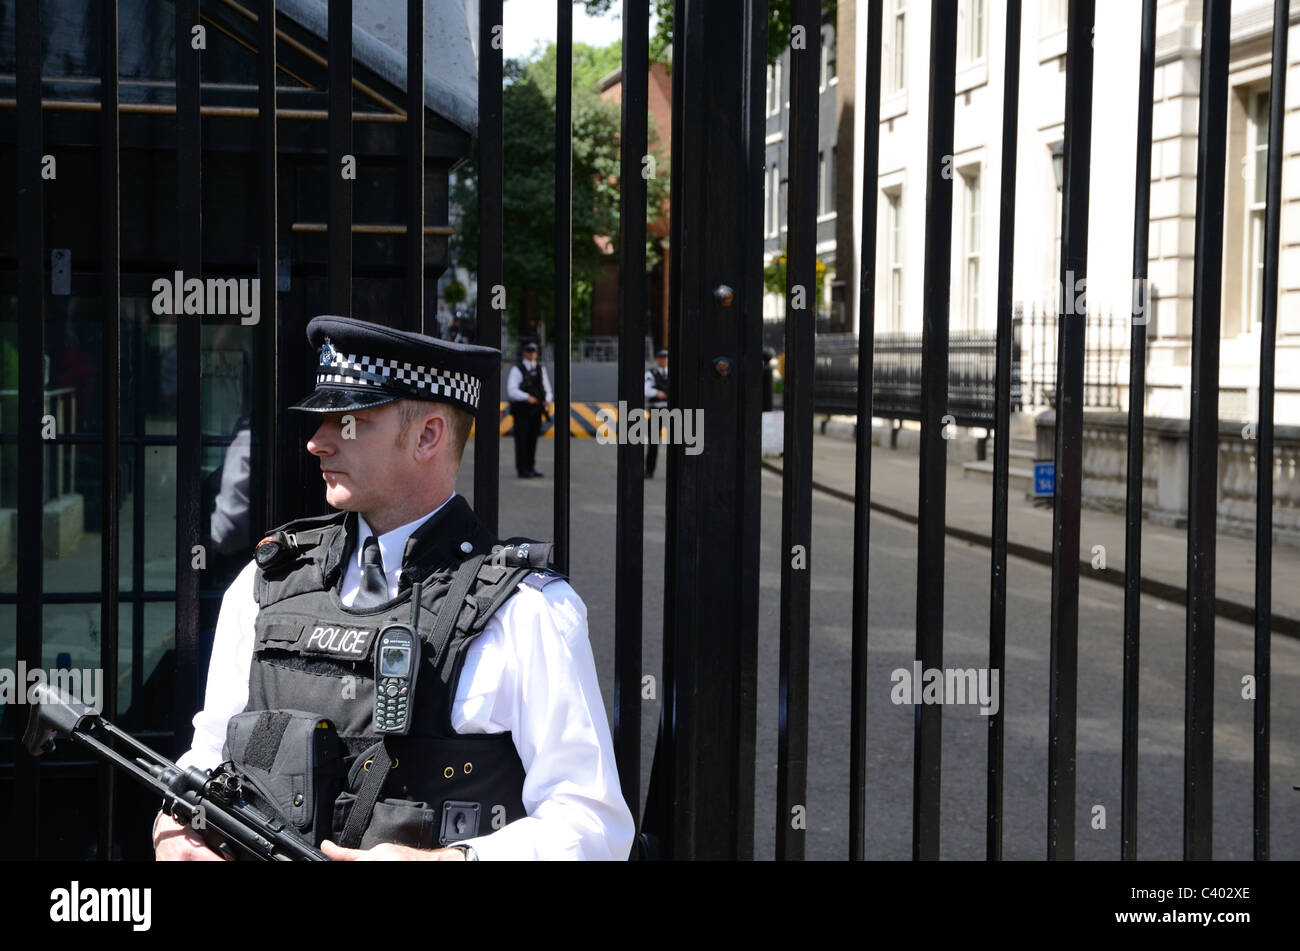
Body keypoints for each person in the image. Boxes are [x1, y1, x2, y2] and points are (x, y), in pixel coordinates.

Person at [152, 315, 633, 861]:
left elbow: (594, 823)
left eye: (349, 422)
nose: (316, 442)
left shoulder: (525, 611)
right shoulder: (266, 583)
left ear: (427, 435)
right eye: (320, 421)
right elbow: (211, 754)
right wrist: (174, 831)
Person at [505, 341, 553, 479]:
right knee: (521, 439)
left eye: (534, 351)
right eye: (529, 351)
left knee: (533, 439)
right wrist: (527, 397)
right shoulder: (517, 370)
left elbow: (546, 388)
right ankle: (522, 469)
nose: (532, 354)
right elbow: (512, 390)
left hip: (536, 409)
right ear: (524, 352)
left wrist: (548, 399)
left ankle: (531, 467)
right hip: (522, 409)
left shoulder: (540, 368)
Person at [643, 348, 669, 479]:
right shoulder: (651, 373)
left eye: (666, 358)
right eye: (661, 358)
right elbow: (646, 389)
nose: (664, 360)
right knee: (653, 442)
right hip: (656, 409)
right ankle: (649, 470)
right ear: (657, 359)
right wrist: (657, 393)